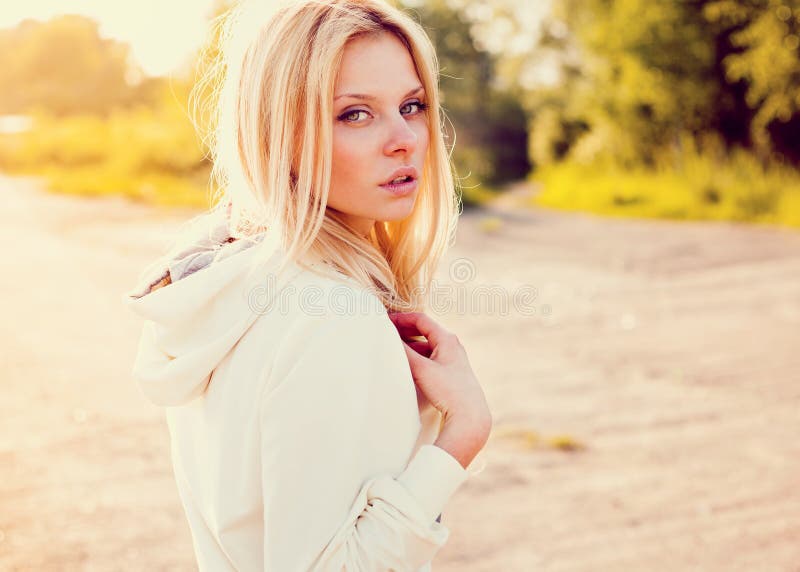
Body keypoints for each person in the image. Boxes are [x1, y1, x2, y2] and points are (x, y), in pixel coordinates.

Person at [124, 0, 491, 570]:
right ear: (281, 137)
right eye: (355, 114)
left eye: (412, 105)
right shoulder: (333, 317)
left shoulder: (235, 286)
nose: (405, 139)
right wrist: (462, 436)